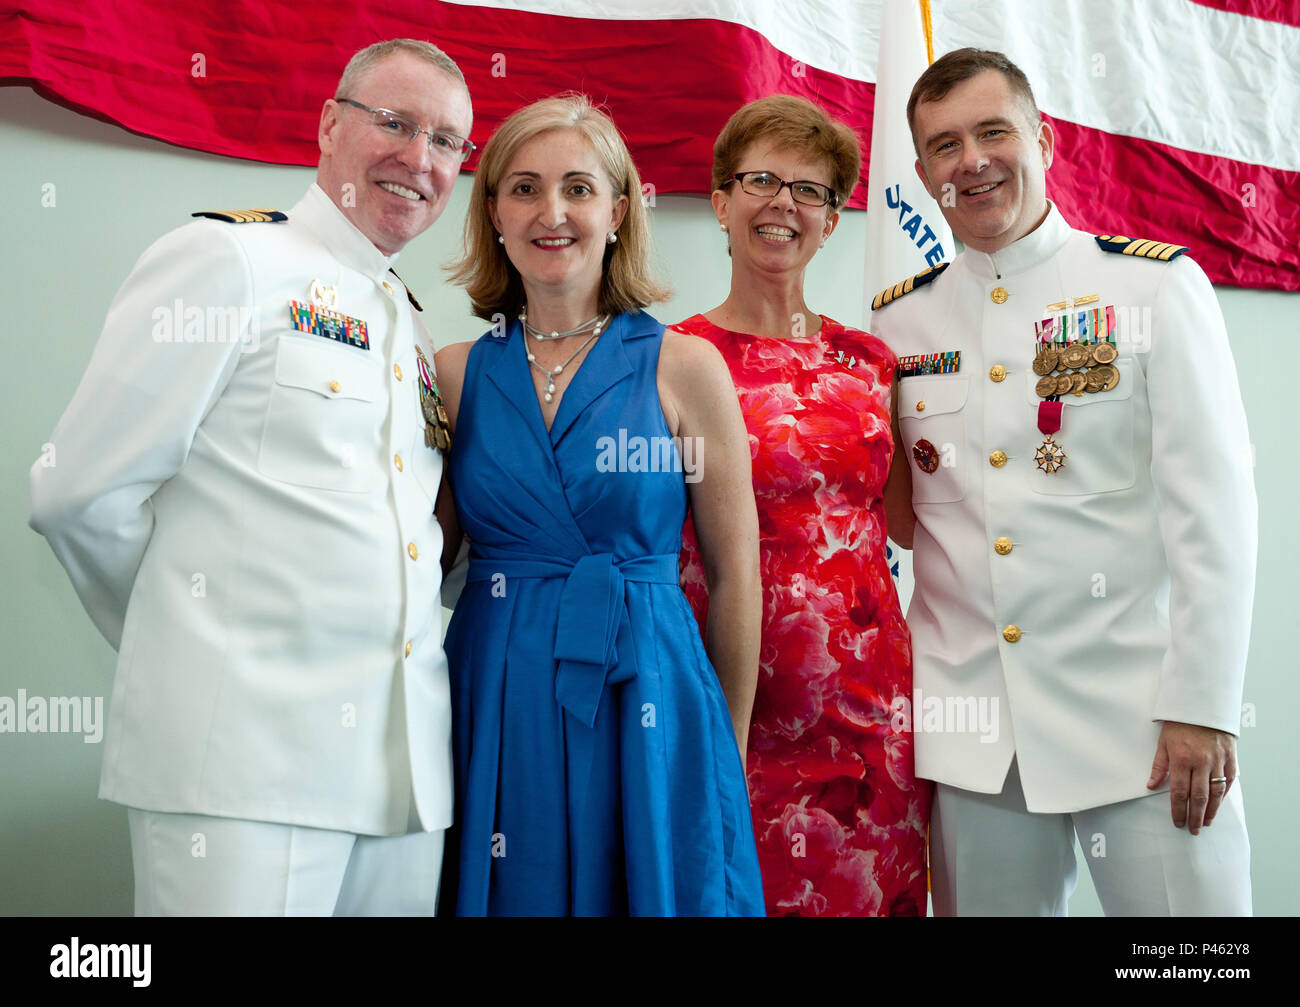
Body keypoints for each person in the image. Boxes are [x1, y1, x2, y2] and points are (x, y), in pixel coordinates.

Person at [27, 38, 473, 916]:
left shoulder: (410, 325)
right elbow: (77, 491)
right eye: (394, 122)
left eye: (447, 141)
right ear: (329, 126)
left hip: (402, 779)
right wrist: (193, 643)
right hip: (240, 762)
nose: (419, 158)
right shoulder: (228, 262)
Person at [873, 47, 1255, 916]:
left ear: (1043, 139)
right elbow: (908, 517)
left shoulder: (1151, 287)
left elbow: (1216, 512)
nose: (972, 160)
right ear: (924, 174)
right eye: (943, 145)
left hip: (1144, 727)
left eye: (993, 131)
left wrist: (1204, 704)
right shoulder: (900, 321)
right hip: (976, 736)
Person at [433, 94, 765, 916]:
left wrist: (720, 744)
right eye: (525, 188)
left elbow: (735, 575)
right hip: (495, 687)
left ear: (618, 212)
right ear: (494, 214)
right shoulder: (454, 372)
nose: (552, 213)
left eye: (578, 188)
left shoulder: (685, 367)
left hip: (647, 686)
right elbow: (425, 559)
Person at [676, 95, 929, 916]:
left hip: (869, 716)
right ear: (721, 203)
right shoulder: (669, 358)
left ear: (829, 221)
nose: (783, 203)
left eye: (809, 190)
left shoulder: (872, 362)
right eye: (761, 180)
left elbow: (904, 523)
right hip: (729, 707)